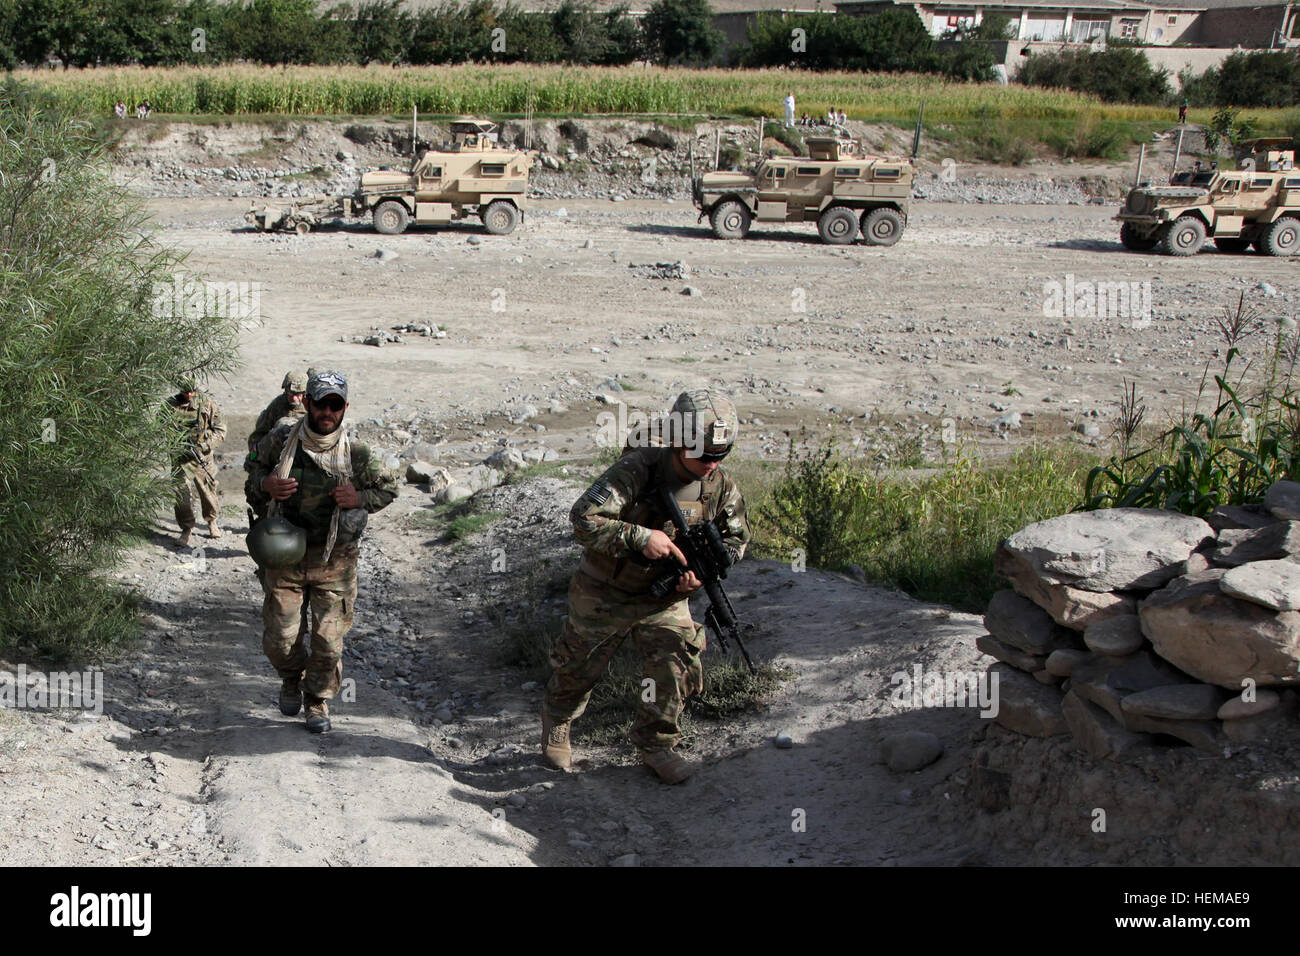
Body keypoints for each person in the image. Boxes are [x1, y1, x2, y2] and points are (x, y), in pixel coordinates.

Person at [541, 388, 751, 784]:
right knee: (579, 665)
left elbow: (737, 539)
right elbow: (583, 519)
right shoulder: (638, 469)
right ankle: (559, 720)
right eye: (703, 455)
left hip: (665, 596)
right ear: (678, 441)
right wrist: (641, 538)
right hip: (605, 590)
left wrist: (703, 573)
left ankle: (656, 743)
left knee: (675, 662)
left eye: (719, 457)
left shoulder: (719, 487)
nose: (711, 465)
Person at [248, 370, 398, 733]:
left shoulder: (357, 454)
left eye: (335, 404)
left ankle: (317, 701)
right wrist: (267, 484)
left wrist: (358, 498)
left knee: (328, 642)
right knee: (280, 640)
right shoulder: (283, 440)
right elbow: (253, 466)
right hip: (285, 558)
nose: (327, 412)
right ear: (309, 405)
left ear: (344, 407)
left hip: (335, 561)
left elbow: (389, 490)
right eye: (321, 404)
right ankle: (290, 677)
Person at [168, 378, 227, 548]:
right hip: (180, 458)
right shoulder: (170, 406)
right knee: (181, 496)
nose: (189, 395)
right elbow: (160, 427)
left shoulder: (207, 404)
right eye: (186, 392)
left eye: (192, 391)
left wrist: (205, 445)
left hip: (202, 457)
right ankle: (186, 528)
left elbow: (221, 430)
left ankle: (211, 521)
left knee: (208, 492)